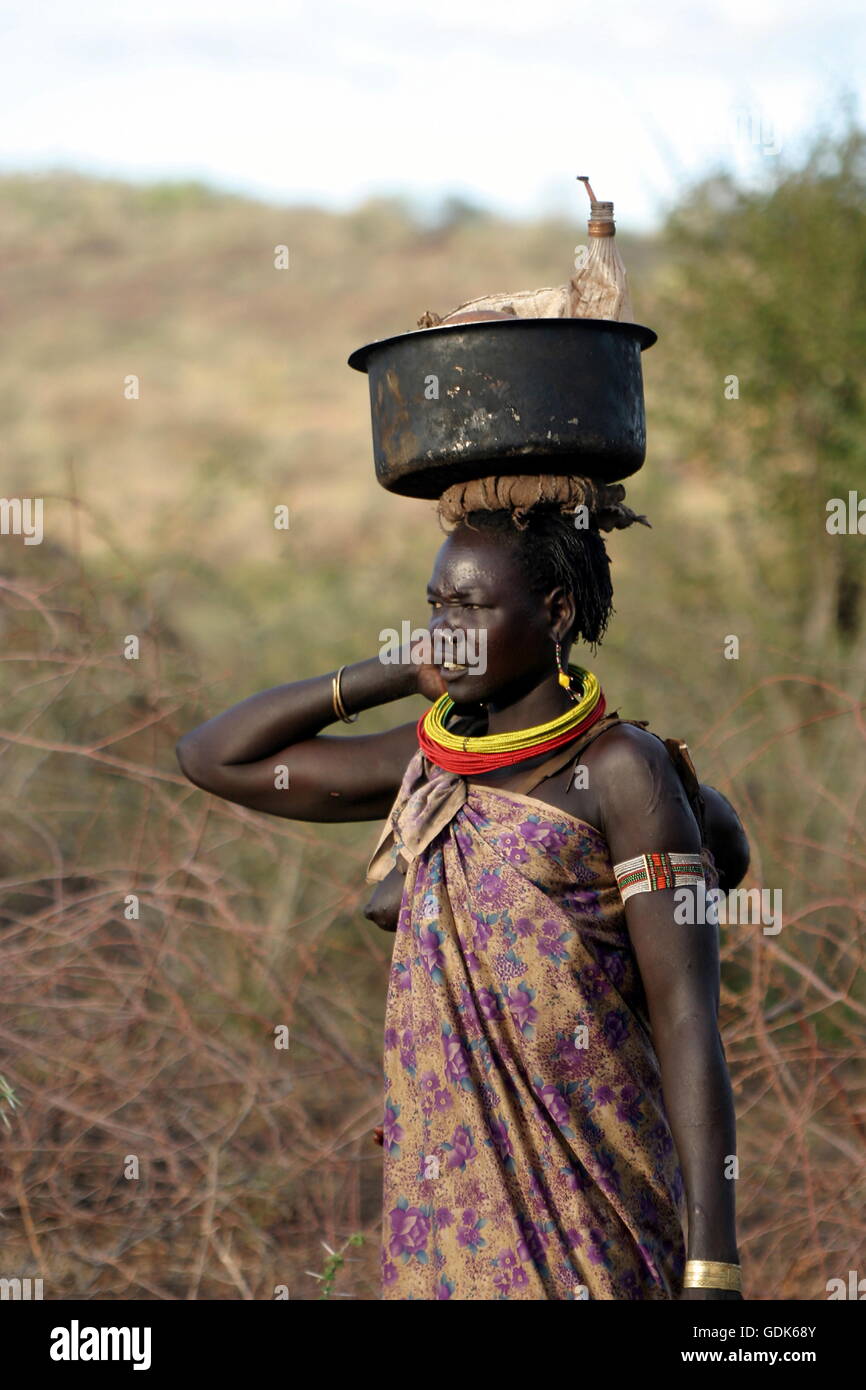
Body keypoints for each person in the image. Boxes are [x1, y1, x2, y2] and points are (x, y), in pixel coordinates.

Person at [175, 474, 747, 1302]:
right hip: (444, 1210)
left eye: (472, 609)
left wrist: (713, 1267)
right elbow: (211, 757)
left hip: (592, 1197)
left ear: (554, 613)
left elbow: (689, 1018)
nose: (448, 632)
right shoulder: (433, 765)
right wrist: (390, 672)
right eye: (436, 607)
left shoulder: (622, 772)